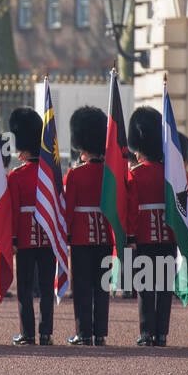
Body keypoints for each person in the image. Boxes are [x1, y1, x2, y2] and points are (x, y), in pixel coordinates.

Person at [6, 107, 55, 346]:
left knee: (25, 288)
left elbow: (13, 211)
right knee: (46, 287)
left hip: (25, 237)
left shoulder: (16, 176)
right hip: (48, 236)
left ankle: (27, 332)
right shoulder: (50, 174)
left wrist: (13, 239)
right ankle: (46, 332)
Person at [64, 106, 112, 347]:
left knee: (82, 286)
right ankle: (100, 332)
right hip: (105, 235)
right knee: (101, 285)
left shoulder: (74, 175)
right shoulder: (109, 174)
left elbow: (69, 209)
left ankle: (83, 332)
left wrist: (67, 233)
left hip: (82, 236)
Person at [126, 106, 172, 347]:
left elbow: (132, 208)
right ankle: (162, 333)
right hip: (168, 235)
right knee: (164, 286)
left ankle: (146, 333)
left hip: (143, 234)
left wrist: (130, 236)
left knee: (145, 286)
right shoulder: (169, 174)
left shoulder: (135, 175)